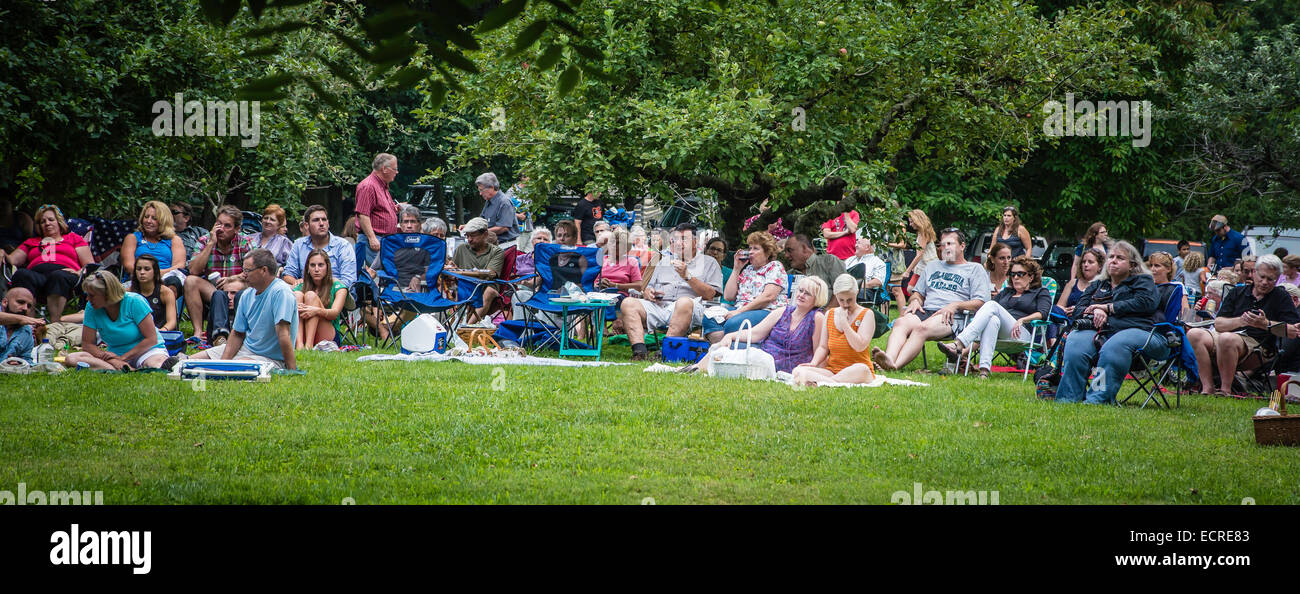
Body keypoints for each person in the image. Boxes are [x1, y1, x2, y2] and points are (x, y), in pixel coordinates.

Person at [1053, 241, 1167, 404]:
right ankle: (1068, 398)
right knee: (1076, 342)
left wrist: (1108, 308)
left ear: (1132, 265)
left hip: (1140, 332)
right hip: (1102, 330)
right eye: (1111, 257)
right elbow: (1079, 310)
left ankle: (1097, 399)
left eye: (1120, 258)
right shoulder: (1099, 284)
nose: (1113, 260)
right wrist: (1096, 311)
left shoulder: (1143, 282)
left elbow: (1146, 303)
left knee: (1114, 345)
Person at [872, 228, 991, 371]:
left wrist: (955, 305)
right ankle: (888, 359)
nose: (945, 248)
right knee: (901, 322)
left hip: (953, 316)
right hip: (926, 310)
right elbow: (917, 293)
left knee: (922, 329)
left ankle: (895, 366)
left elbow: (981, 302)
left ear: (962, 246)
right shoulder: (932, 266)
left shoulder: (974, 269)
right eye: (943, 244)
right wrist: (915, 300)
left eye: (950, 244)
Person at [1187, 254, 1299, 396]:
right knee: (1194, 334)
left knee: (1227, 338)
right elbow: (1219, 323)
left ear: (1277, 279)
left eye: (1270, 279)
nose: (1265, 282)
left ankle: (1225, 390)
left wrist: (1266, 324)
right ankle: (1207, 387)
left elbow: (1293, 331)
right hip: (1227, 337)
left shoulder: (1281, 297)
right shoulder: (1237, 292)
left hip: (1259, 347)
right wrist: (1240, 321)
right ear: (1254, 273)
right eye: (1262, 277)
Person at [683, 276, 828, 375]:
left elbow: (819, 350)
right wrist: (729, 336)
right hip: (764, 355)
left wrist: (814, 369)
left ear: (817, 298)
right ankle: (696, 369)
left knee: (739, 353)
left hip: (786, 366)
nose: (801, 295)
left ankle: (697, 369)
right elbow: (757, 333)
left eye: (807, 294)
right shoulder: (783, 311)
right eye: (800, 291)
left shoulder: (817, 318)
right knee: (728, 345)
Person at [619, 223, 722, 361]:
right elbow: (648, 287)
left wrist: (688, 276)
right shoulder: (664, 262)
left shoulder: (709, 262)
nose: (679, 243)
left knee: (683, 302)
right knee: (628, 303)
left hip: (690, 308)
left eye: (684, 239)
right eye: (675, 239)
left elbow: (710, 294)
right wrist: (648, 293)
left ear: (695, 242)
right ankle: (639, 352)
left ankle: (665, 351)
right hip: (660, 305)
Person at [938, 255, 1051, 378]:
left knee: (992, 305)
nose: (1016, 277)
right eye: (1013, 274)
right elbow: (987, 310)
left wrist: (1022, 320)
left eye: (1020, 274)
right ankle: (984, 371)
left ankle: (959, 344)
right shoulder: (1007, 292)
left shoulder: (1040, 292)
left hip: (1021, 332)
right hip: (1000, 331)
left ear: (1031, 277)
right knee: (992, 319)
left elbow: (1043, 313)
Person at [190, 249, 298, 369]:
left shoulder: (280, 292)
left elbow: (283, 334)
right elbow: (237, 334)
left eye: (248, 270)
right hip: (245, 349)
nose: (244, 274)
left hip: (271, 358)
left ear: (264, 270)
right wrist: (223, 363)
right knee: (190, 360)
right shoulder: (247, 294)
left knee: (236, 365)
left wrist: (291, 370)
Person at [64, 271, 168, 370]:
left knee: (155, 365)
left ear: (107, 294)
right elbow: (87, 344)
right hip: (114, 356)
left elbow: (151, 339)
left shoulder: (134, 301)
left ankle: (121, 368)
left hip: (146, 351)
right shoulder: (91, 307)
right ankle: (123, 368)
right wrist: (113, 360)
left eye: (92, 295)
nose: (88, 299)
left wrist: (123, 358)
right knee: (72, 358)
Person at [6, 205, 93, 323]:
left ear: (59, 222)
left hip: (66, 277)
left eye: (51, 220)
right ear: (39, 226)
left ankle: (54, 325)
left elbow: (89, 264)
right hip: (37, 277)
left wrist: (79, 272)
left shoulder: (73, 238)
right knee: (22, 274)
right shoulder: (32, 242)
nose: (47, 223)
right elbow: (11, 260)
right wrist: (2, 252)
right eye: (43, 221)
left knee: (58, 276)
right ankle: (29, 324)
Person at [184, 205, 253, 344]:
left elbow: (255, 270)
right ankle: (198, 331)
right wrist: (211, 243)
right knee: (191, 281)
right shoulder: (204, 240)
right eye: (219, 224)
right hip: (213, 290)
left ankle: (238, 333)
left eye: (227, 226)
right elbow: (193, 270)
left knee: (245, 285)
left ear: (237, 229)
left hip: (239, 289)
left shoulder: (245, 242)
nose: (221, 229)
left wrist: (233, 279)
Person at [792, 274, 877, 386]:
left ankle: (824, 383)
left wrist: (845, 324)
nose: (845, 304)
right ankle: (832, 382)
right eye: (841, 300)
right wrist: (813, 363)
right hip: (833, 371)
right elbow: (823, 347)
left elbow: (859, 346)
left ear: (856, 293)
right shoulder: (830, 314)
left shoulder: (867, 314)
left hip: (857, 370)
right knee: (798, 370)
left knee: (862, 369)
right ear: (836, 295)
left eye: (849, 300)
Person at [708, 231, 788, 342]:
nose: (751, 252)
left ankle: (727, 349)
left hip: (767, 311)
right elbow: (728, 296)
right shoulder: (748, 270)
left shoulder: (774, 267)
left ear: (768, 253)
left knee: (732, 324)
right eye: (750, 248)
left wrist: (739, 312)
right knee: (710, 317)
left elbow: (768, 296)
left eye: (756, 248)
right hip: (742, 310)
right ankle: (724, 348)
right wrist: (736, 268)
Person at [282, 205, 357, 288]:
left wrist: (321, 291)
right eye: (316, 220)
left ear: (328, 223)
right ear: (306, 225)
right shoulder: (299, 245)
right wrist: (298, 282)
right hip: (306, 292)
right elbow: (287, 274)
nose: (321, 223)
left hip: (337, 292)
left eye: (324, 220)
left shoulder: (343, 245)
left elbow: (349, 281)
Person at [120, 200, 186, 294]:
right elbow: (129, 266)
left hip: (165, 279)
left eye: (154, 218)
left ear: (163, 221)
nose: (148, 221)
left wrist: (158, 274)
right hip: (138, 278)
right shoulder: (133, 238)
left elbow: (179, 265)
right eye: (146, 217)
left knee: (173, 282)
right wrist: (148, 274)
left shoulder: (174, 240)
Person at [452, 217, 505, 324]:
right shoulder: (461, 249)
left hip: (487, 285)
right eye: (467, 236)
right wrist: (451, 268)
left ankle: (466, 327)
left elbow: (491, 273)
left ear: (485, 234)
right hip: (465, 285)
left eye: (473, 235)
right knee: (454, 285)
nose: (469, 239)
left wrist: (461, 272)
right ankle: (456, 323)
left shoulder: (496, 251)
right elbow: (453, 268)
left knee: (490, 291)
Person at [293, 249, 349, 349]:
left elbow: (335, 313)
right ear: (307, 268)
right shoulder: (300, 286)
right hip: (302, 333)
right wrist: (292, 307)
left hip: (328, 334)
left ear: (327, 267)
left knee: (310, 295)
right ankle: (299, 345)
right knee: (297, 295)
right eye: (312, 265)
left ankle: (308, 346)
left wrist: (317, 311)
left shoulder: (338, 287)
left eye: (321, 265)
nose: (317, 269)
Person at [355, 153, 400, 260]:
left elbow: (378, 210)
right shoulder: (368, 186)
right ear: (384, 169)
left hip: (383, 240)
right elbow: (363, 215)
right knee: (379, 273)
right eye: (395, 169)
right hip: (374, 240)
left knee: (386, 273)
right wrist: (372, 238)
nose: (397, 172)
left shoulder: (382, 186)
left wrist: (394, 210)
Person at [129, 255, 177, 331]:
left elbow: (172, 321)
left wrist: (162, 331)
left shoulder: (166, 292)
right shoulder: (129, 293)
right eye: (138, 269)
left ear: (155, 271)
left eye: (147, 269)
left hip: (162, 335)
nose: (142, 272)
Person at [596, 227, 643, 295]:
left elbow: (639, 286)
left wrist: (616, 286)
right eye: (612, 241)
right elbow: (592, 282)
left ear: (626, 246)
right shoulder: (601, 260)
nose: (614, 245)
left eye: (618, 243)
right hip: (599, 294)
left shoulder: (632, 261)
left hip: (620, 296)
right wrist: (600, 283)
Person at [476, 172, 519, 244]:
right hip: (493, 244)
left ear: (491, 188)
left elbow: (503, 228)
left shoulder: (505, 202)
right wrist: (469, 227)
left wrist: (480, 233)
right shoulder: (489, 201)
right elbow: (482, 220)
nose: (480, 193)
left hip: (506, 245)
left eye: (481, 190)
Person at [0, 287, 41, 363]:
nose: (25, 308)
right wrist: (21, 319)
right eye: (20, 302)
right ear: (5, 302)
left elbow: (26, 359)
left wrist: (19, 363)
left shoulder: (26, 331)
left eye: (29, 306)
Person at [1058, 248, 1103, 315]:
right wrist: (1066, 310)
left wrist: (1078, 311)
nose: (1086, 265)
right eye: (1083, 262)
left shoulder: (1103, 286)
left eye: (1090, 262)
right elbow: (1059, 306)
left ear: (1100, 266)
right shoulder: (1072, 283)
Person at [1148, 251, 1185, 320]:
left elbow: (1181, 315)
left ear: (1168, 269)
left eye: (1157, 265)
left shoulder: (1175, 288)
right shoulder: (1146, 286)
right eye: (1151, 265)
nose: (1152, 269)